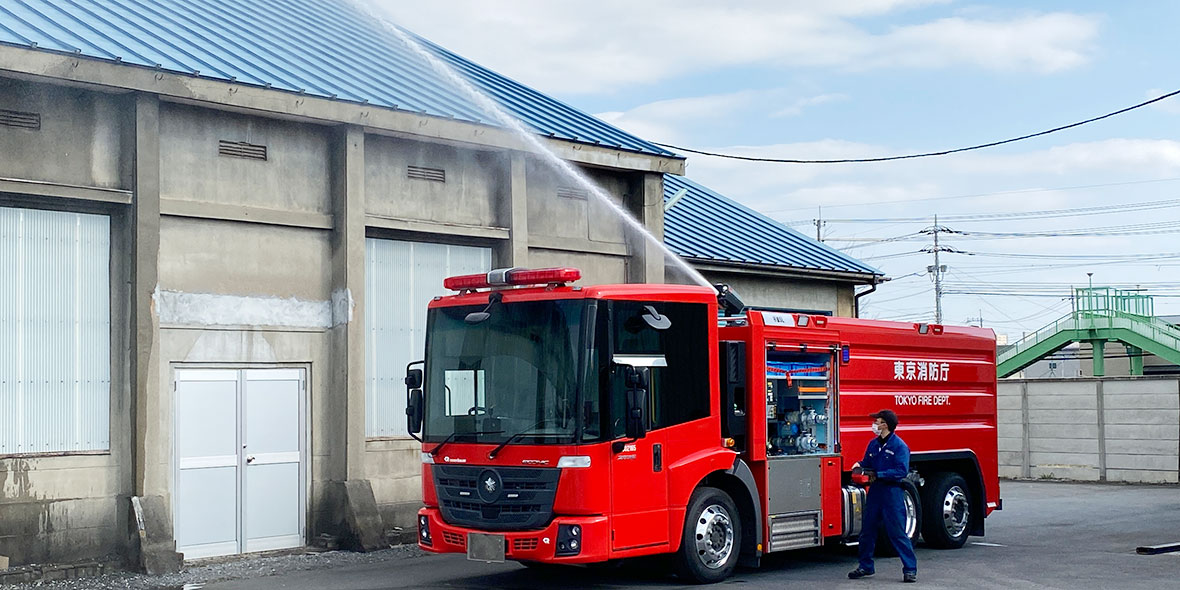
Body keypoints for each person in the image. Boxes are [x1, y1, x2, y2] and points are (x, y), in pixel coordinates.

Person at [848, 409, 918, 583]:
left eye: (877, 422)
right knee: (867, 531)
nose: (875, 425)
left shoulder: (899, 446)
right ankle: (865, 566)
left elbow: (901, 471)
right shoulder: (873, 444)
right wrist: (860, 466)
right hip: (875, 492)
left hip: (891, 492)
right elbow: (867, 463)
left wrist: (879, 474)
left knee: (897, 532)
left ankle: (910, 569)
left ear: (885, 425)